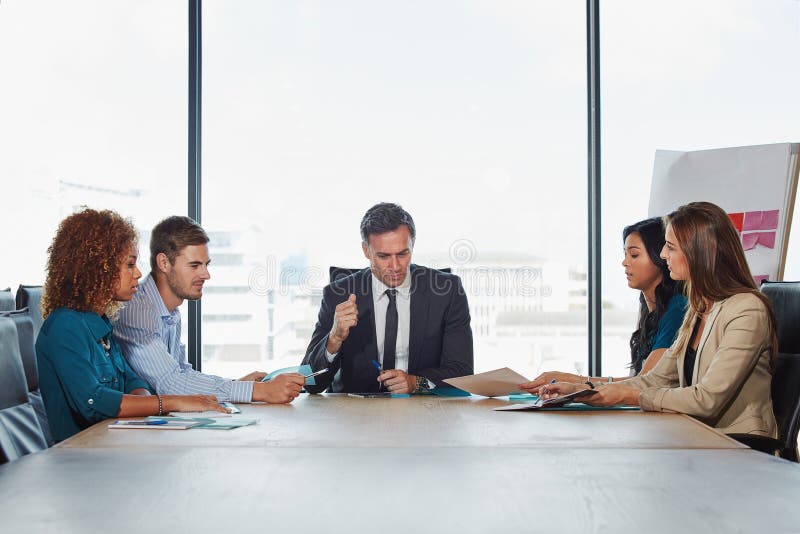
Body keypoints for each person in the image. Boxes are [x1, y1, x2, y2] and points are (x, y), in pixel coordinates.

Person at [534, 202, 778, 436]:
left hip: (741, 446)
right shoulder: (699, 309)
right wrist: (579, 391)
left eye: (670, 247)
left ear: (701, 253)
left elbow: (707, 399)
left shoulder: (747, 310)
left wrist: (628, 396)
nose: (663, 254)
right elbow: (654, 380)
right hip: (698, 439)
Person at [36, 209, 225, 443]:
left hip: (114, 447)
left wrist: (143, 400)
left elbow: (132, 379)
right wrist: (170, 402)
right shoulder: (64, 326)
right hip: (79, 462)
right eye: (129, 264)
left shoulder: (101, 323)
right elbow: (94, 401)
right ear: (98, 268)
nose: (137, 273)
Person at [113, 216, 304, 404]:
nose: (206, 274)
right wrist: (260, 391)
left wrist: (236, 385)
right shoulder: (138, 310)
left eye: (206, 265)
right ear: (164, 263)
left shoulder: (169, 311)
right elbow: (171, 383)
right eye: (194, 265)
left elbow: (183, 373)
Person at [302, 202, 474, 393]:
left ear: (412, 244)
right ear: (366, 251)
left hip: (423, 410)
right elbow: (309, 382)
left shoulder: (447, 291)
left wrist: (416, 383)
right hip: (354, 414)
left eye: (402, 254)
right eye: (383, 256)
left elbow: (462, 373)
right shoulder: (337, 294)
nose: (395, 266)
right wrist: (334, 338)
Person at [521, 217, 686, 389]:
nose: (625, 262)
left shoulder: (677, 309)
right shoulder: (651, 312)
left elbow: (644, 383)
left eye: (634, 254)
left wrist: (575, 381)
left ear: (659, 257)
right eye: (625, 254)